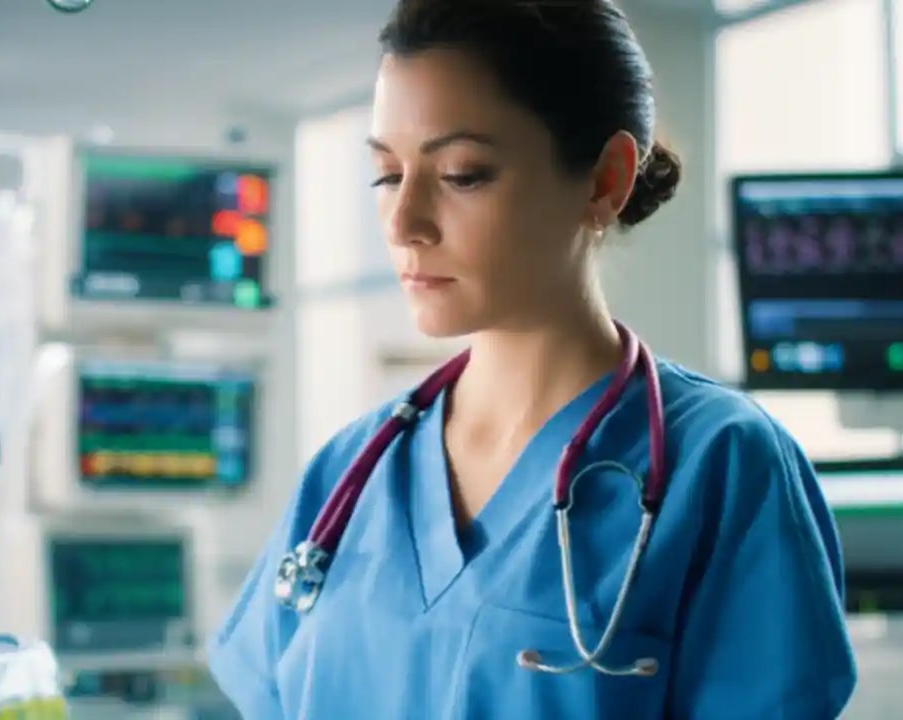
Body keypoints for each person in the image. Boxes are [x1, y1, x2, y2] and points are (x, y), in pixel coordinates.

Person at [208, 0, 857, 717]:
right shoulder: (348, 476)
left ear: (604, 180)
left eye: (462, 174)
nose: (404, 223)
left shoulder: (721, 464)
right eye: (388, 174)